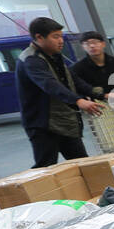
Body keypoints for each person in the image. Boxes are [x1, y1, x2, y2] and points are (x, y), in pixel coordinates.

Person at [16, 17, 103, 167]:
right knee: (46, 166)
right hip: (42, 124)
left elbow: (73, 80)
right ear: (39, 37)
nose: (60, 40)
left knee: (83, 163)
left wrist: (100, 94)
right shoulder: (31, 60)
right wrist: (79, 101)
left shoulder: (53, 56)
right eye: (55, 37)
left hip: (63, 121)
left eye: (61, 36)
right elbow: (50, 85)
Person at [69, 31, 114, 103]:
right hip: (95, 106)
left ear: (103, 44)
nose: (92, 46)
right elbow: (78, 88)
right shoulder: (77, 68)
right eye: (87, 44)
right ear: (83, 47)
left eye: (95, 42)